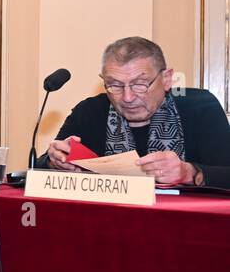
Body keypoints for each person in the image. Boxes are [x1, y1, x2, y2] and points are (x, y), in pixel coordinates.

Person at [42, 36, 230, 187]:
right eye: (115, 85)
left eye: (139, 84)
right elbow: (39, 167)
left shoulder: (200, 107)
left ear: (166, 79)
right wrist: (55, 160)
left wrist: (190, 172)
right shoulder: (90, 111)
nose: (128, 97)